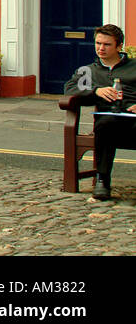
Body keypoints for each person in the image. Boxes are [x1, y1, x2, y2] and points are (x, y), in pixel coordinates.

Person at [64, 23, 136, 200]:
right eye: (98, 43)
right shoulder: (89, 71)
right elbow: (70, 88)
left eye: (107, 44)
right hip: (109, 123)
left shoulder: (133, 67)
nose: (101, 48)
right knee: (104, 124)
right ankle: (103, 180)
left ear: (119, 46)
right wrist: (95, 90)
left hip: (133, 119)